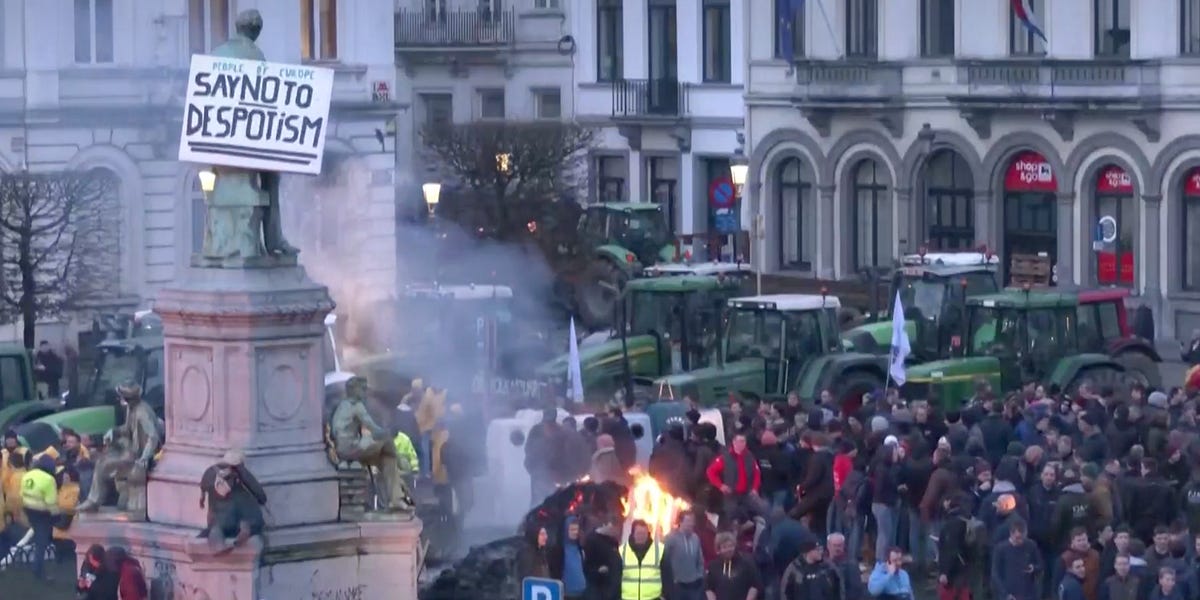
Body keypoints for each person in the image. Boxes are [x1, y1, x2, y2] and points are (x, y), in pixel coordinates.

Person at [328, 377, 413, 512]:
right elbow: (374, 428)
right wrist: (388, 433)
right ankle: (401, 469)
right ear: (354, 390)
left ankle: (396, 499)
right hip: (350, 449)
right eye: (362, 389)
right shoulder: (356, 406)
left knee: (387, 457)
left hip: (346, 448)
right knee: (387, 443)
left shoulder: (343, 406)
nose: (365, 392)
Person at [77, 382, 161, 513]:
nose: (119, 400)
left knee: (102, 464)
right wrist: (114, 431)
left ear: (128, 399)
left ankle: (93, 501)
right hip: (131, 450)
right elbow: (127, 429)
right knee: (104, 456)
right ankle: (94, 500)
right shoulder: (131, 409)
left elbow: (153, 436)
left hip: (139, 457)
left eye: (121, 397)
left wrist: (145, 457)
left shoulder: (142, 413)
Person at [705, 433, 762, 523]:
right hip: (731, 494)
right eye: (739, 441)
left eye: (743, 441)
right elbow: (710, 471)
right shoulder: (725, 458)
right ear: (734, 442)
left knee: (761, 507)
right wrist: (720, 486)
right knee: (732, 513)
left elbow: (757, 473)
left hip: (747, 493)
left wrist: (755, 488)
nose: (741, 444)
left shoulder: (750, 457)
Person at [21, 454, 59, 581]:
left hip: (28, 510)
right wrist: (56, 516)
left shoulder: (27, 474)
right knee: (41, 543)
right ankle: (38, 570)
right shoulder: (48, 479)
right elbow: (51, 502)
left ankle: (36, 565)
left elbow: (21, 493)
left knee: (38, 536)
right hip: (42, 513)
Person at [991, 520, 1043, 600]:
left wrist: (1033, 568)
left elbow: (1040, 565)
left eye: (1023, 538)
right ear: (1011, 534)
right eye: (1018, 538)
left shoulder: (1031, 545)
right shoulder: (1001, 549)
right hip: (1008, 593)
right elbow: (995, 573)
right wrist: (1005, 594)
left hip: (1028, 594)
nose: (1021, 541)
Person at [703, 530, 762, 600]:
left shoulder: (746, 562)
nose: (728, 549)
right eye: (724, 547)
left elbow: (754, 585)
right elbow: (708, 588)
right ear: (719, 549)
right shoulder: (713, 566)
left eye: (730, 546)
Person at [525, 408, 564, 506]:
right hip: (541, 468)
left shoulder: (558, 429)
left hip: (553, 469)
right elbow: (529, 448)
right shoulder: (537, 430)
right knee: (539, 495)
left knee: (550, 495)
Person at [663, 511, 705, 600]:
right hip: (677, 585)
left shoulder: (695, 538)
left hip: (694, 585)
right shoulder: (671, 538)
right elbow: (664, 560)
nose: (691, 524)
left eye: (692, 521)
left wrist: (699, 575)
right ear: (680, 522)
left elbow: (700, 560)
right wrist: (669, 580)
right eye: (688, 521)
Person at [620, 520, 663, 600]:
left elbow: (667, 576)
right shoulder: (622, 551)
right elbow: (616, 577)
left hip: (653, 598)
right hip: (628, 598)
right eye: (639, 533)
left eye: (644, 533)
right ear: (633, 534)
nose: (642, 536)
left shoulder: (660, 550)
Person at [561, 517, 587, 600]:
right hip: (566, 595)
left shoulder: (580, 547)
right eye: (572, 530)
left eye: (577, 529)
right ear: (566, 530)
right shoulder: (560, 550)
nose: (575, 532)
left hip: (582, 594)